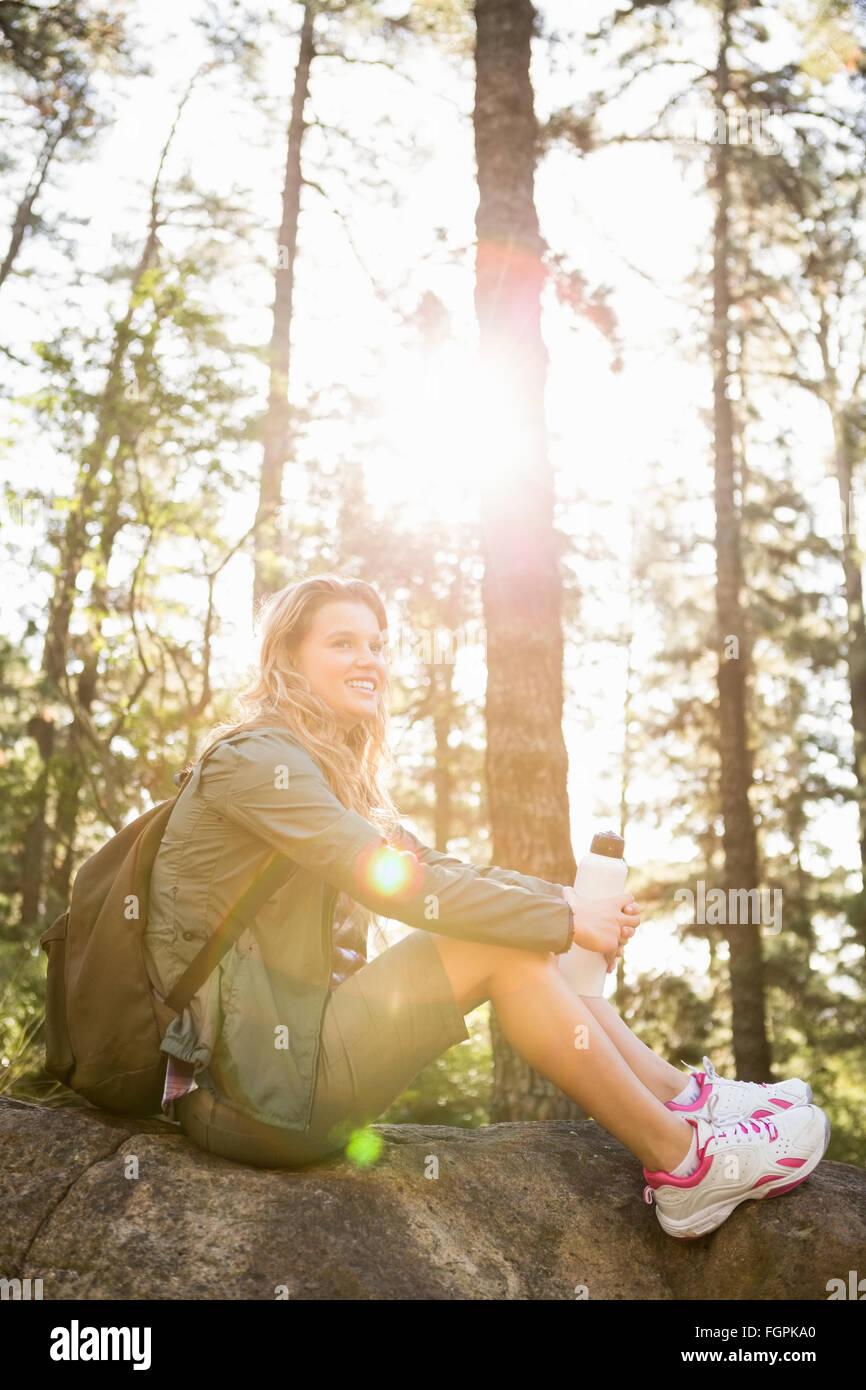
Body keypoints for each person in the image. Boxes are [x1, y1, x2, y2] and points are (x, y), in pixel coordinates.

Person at [144, 574, 830, 1239]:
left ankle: (689, 1104)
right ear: (289, 655)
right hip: (242, 1097)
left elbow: (434, 867)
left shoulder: (323, 771)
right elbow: (395, 882)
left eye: (378, 645)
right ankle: (687, 1163)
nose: (370, 661)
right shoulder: (257, 762)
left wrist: (560, 899)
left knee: (518, 933)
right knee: (505, 941)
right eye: (343, 643)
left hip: (289, 1073)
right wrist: (564, 922)